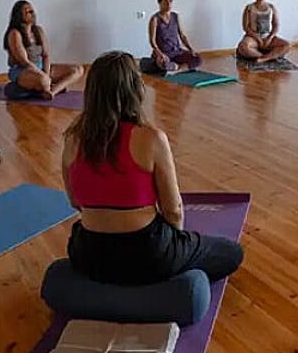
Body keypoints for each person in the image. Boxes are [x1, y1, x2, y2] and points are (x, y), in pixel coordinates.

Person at [61, 51, 243, 284]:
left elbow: (75, 201)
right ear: (135, 90)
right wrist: (177, 246)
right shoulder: (151, 139)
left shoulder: (72, 139)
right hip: (148, 252)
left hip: (87, 252)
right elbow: (173, 209)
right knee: (231, 252)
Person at [4, 0, 85, 97]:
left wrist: (46, 73)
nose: (32, 14)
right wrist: (45, 77)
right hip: (23, 70)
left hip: (40, 67)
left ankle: (52, 91)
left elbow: (46, 55)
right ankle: (47, 87)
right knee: (43, 80)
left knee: (77, 70)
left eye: (32, 11)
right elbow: (25, 62)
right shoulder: (15, 33)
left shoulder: (38, 30)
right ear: (19, 15)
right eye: (28, 12)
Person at [148, 0, 203, 73]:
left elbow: (182, 36)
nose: (169, 4)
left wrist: (191, 49)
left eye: (171, 1)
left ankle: (177, 69)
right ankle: (178, 67)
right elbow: (152, 41)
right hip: (163, 54)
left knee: (197, 59)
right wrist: (160, 54)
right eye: (165, 1)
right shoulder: (154, 19)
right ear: (159, 3)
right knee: (162, 64)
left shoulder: (176, 16)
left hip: (177, 52)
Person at [237, 0, 291, 64]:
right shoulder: (249, 7)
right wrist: (257, 38)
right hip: (253, 37)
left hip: (267, 36)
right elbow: (245, 27)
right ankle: (269, 56)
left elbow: (276, 25)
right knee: (243, 47)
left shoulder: (271, 7)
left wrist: (270, 38)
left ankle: (265, 58)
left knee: (286, 45)